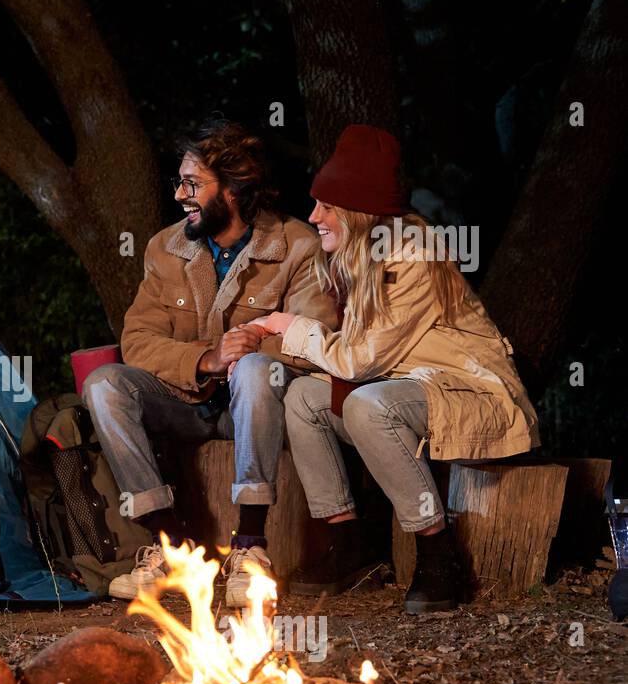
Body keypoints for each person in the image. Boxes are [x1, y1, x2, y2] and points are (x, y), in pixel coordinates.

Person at [248, 124, 539, 613]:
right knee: (302, 398)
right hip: (413, 388)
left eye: (326, 206)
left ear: (357, 211)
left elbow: (359, 361)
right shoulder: (362, 254)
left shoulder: (411, 255)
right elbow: (358, 353)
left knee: (366, 402)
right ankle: (348, 544)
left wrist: (290, 325)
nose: (314, 215)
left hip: (474, 395)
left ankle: (438, 556)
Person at [82, 117, 339, 605]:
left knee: (257, 368)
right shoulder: (165, 247)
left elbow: (316, 339)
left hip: (262, 407)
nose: (180, 194)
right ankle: (171, 547)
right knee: (104, 384)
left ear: (235, 190)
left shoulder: (297, 247)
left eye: (193, 183)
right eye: (179, 182)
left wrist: (248, 352)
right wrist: (206, 358)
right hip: (184, 399)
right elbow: (137, 340)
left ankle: (251, 546)